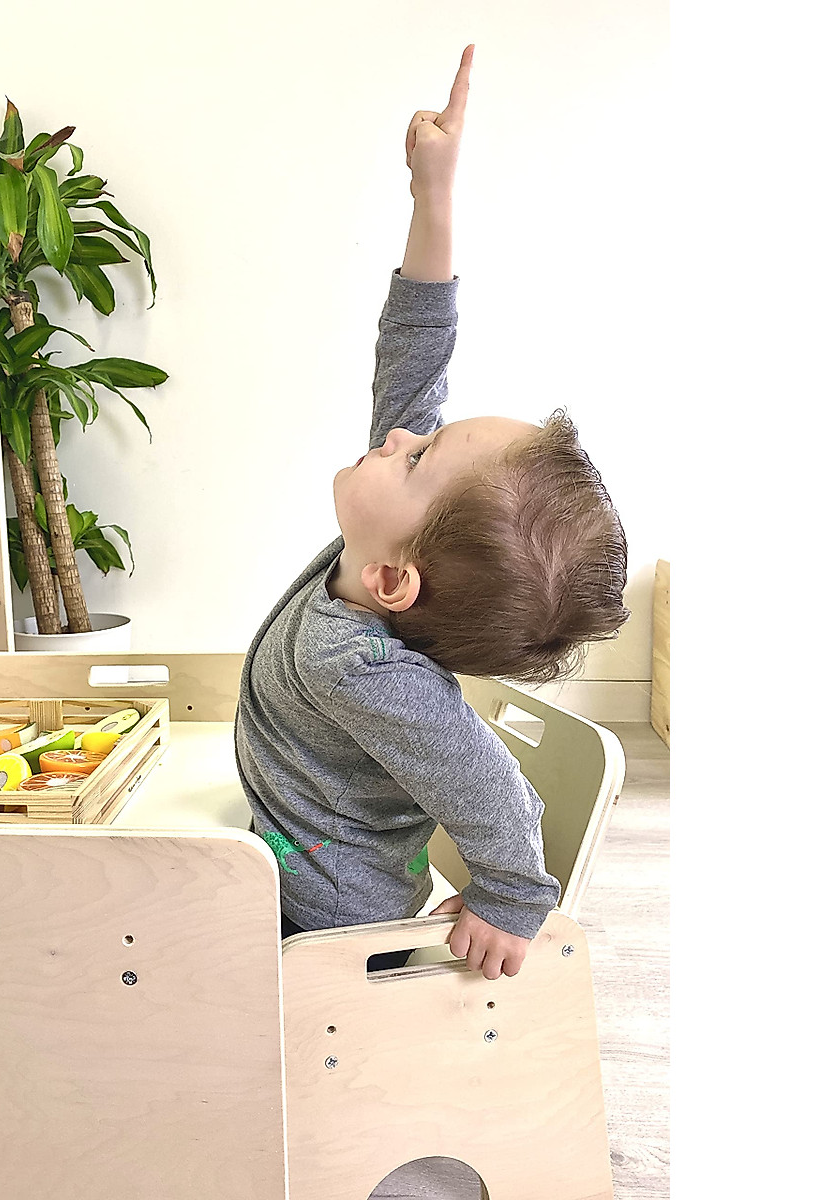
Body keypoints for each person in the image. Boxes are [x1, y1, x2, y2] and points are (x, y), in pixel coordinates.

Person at [235, 44, 629, 981]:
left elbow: (492, 789)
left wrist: (510, 899)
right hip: (291, 842)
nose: (401, 436)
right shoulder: (393, 552)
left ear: (396, 581)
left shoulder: (361, 661)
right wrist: (433, 197)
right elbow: (415, 353)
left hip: (318, 926)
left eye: (416, 456)